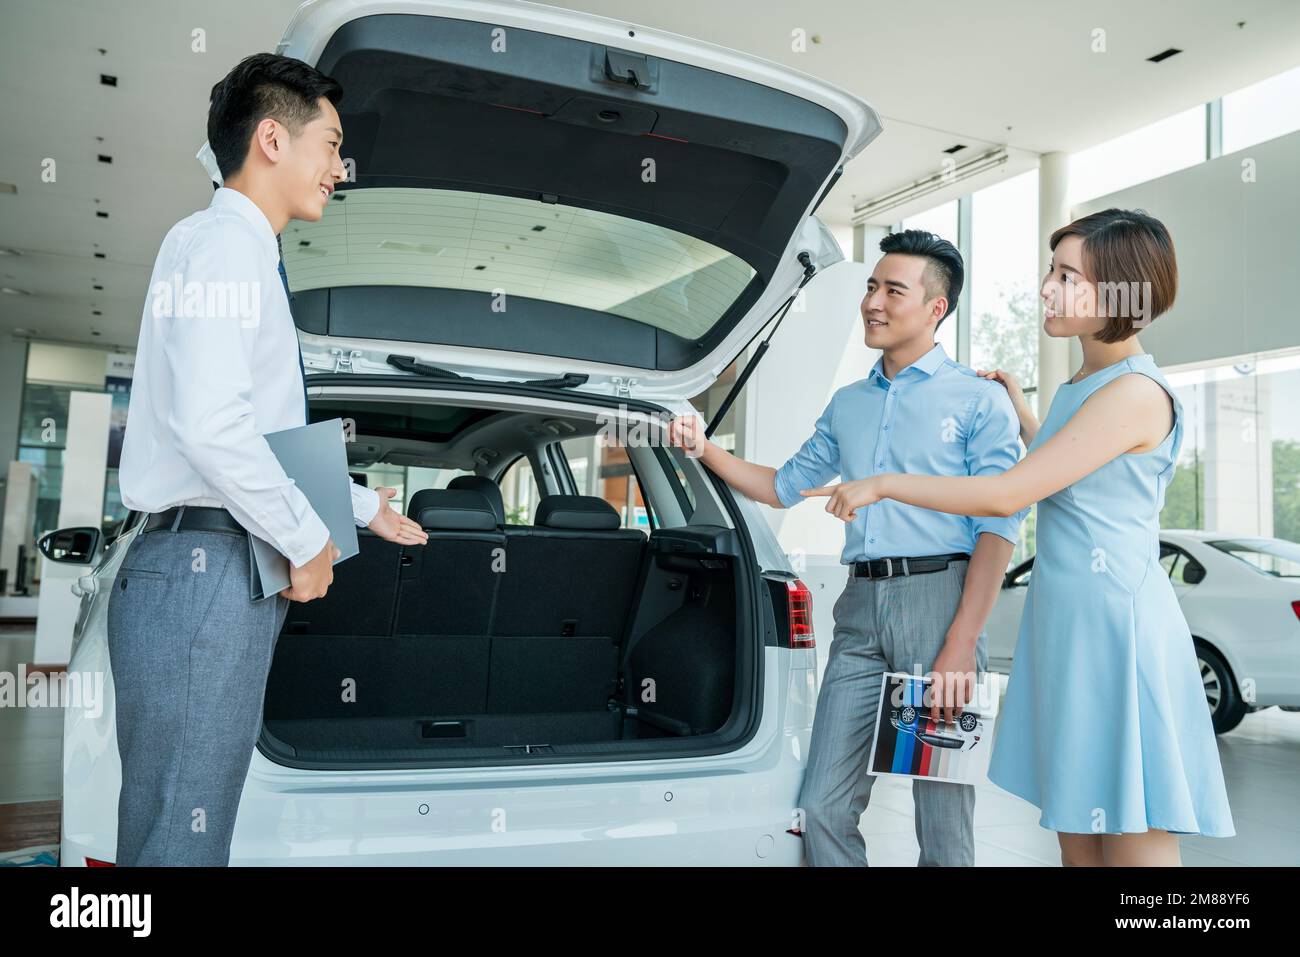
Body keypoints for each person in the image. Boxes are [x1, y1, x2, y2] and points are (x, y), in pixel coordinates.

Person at [805, 208, 1235, 865]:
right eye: (1050, 270)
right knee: (1079, 832)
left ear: (1120, 290)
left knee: (1129, 833)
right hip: (1067, 626)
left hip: (1117, 630)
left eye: (1068, 275)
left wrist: (886, 482)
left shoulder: (1136, 392)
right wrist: (1026, 410)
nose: (1047, 288)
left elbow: (1011, 493)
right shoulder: (1084, 386)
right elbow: (1070, 479)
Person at [110, 53, 428, 866]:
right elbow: (212, 428)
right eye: (331, 144)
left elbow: (258, 436)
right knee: (179, 838)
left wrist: (358, 509)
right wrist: (306, 537)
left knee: (179, 826)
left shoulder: (235, 249)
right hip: (203, 570)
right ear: (273, 139)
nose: (339, 167)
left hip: (205, 564)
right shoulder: (222, 247)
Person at [669, 230, 1027, 866]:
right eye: (870, 286)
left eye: (894, 290)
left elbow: (999, 525)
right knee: (825, 805)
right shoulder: (848, 404)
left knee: (941, 817)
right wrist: (703, 447)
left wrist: (960, 644)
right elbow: (781, 488)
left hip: (941, 601)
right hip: (860, 605)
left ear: (936, 308)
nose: (873, 302)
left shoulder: (978, 399)